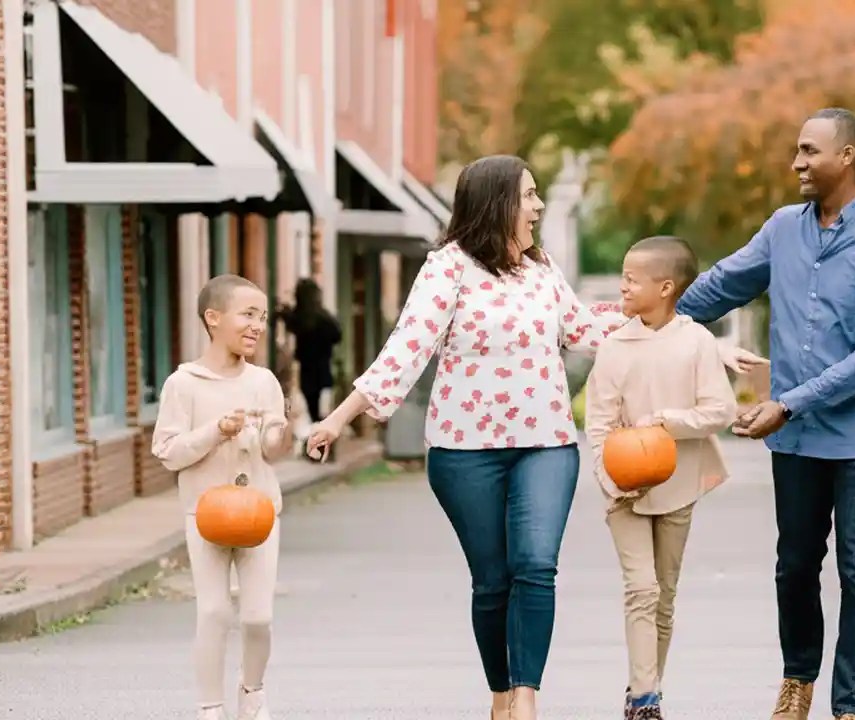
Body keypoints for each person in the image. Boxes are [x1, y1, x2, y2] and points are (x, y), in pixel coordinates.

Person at [306, 155, 761, 720]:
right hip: (464, 449)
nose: (539, 206)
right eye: (529, 196)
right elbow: (405, 349)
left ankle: (526, 698)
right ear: (498, 202)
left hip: (545, 442)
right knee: (493, 580)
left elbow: (591, 326)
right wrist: (336, 417)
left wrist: (700, 345)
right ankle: (500, 694)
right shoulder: (447, 268)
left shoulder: (541, 269)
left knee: (536, 565)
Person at [676, 108, 855, 720]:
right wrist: (650, 316)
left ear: (848, 157)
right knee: (794, 567)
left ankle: (851, 706)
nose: (797, 163)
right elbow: (722, 285)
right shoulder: (784, 228)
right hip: (800, 439)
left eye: (809, 151)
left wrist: (787, 403)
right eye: (797, 151)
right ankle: (797, 681)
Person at [584, 236, 739, 720]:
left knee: (665, 596)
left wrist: (665, 422)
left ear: (666, 287)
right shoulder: (613, 347)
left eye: (632, 279)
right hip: (624, 487)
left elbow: (720, 410)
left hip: (678, 485)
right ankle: (645, 698)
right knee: (642, 590)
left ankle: (647, 689)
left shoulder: (696, 342)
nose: (623, 286)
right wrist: (610, 479)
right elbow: (599, 424)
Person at [152, 274, 294, 720]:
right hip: (206, 515)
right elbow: (168, 452)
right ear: (213, 318)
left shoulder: (264, 381)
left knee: (257, 617)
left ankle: (252, 691)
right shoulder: (184, 383)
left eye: (263, 317)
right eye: (248, 315)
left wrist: (278, 432)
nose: (257, 325)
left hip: (259, 512)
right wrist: (217, 431)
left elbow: (274, 452)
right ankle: (210, 708)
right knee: (213, 612)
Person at [277, 277, 343, 426]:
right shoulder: (323, 317)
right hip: (323, 369)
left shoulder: (299, 317)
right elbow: (337, 335)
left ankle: (317, 431)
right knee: (322, 411)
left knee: (312, 410)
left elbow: (289, 321)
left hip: (307, 369)